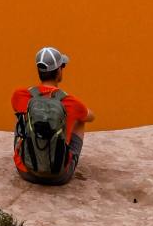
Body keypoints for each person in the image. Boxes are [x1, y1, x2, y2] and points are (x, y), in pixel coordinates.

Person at [11, 46, 94, 185]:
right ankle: (66, 160)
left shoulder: (20, 95)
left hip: (26, 171)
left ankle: (30, 155)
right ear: (59, 71)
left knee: (22, 118)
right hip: (59, 176)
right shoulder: (70, 102)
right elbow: (91, 116)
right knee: (80, 121)